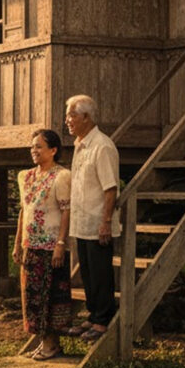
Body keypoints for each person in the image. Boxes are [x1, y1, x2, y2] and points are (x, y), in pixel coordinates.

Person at [64, 94, 121, 342]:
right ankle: (93, 314)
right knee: (87, 272)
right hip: (82, 222)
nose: (68, 120)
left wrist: (106, 222)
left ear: (86, 117)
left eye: (72, 115)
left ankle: (103, 319)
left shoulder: (102, 146)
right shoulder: (80, 145)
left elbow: (110, 188)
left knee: (100, 272)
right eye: (68, 115)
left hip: (98, 222)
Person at [12, 129, 72, 360]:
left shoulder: (62, 176)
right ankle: (44, 342)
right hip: (31, 245)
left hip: (50, 246)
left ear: (53, 150)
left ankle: (51, 344)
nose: (34, 151)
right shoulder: (25, 176)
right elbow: (23, 211)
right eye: (32, 146)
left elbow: (66, 211)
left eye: (39, 146)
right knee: (32, 296)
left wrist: (60, 244)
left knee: (50, 295)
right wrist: (18, 243)